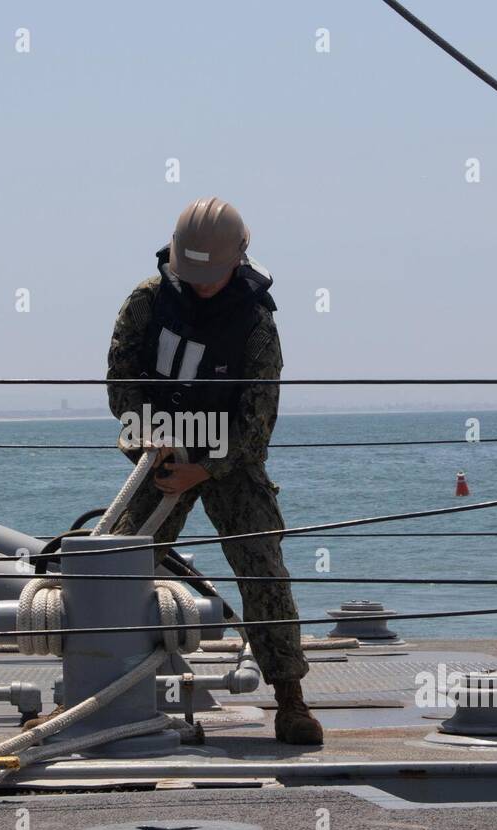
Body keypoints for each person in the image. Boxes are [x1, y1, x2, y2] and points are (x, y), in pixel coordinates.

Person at [104, 196, 323, 745]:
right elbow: (121, 379)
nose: (202, 286)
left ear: (237, 261)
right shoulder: (147, 301)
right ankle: (99, 690)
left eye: (212, 276)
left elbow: (258, 421)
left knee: (262, 568)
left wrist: (204, 469)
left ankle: (290, 700)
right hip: (160, 454)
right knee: (120, 561)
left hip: (231, 461)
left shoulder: (255, 322)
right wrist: (151, 446)